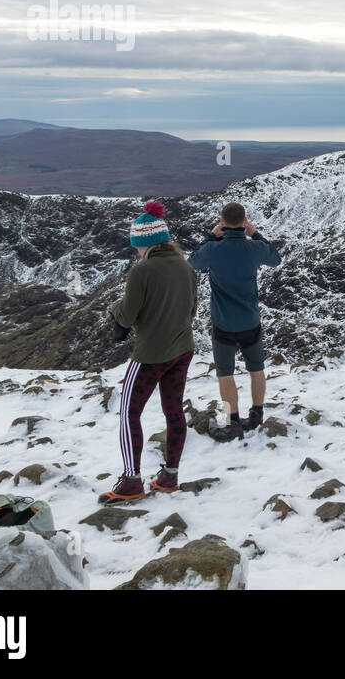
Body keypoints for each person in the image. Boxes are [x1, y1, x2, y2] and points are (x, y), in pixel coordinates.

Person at [100, 202, 198, 503]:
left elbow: (127, 317)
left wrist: (115, 306)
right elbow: (191, 310)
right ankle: (169, 476)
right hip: (182, 350)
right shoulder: (187, 267)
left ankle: (131, 481)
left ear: (144, 244)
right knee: (174, 410)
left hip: (149, 355)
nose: (136, 252)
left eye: (137, 246)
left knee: (130, 413)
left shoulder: (142, 271)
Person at [188, 201, 282, 442]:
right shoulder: (254, 249)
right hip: (250, 321)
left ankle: (231, 423)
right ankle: (256, 415)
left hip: (223, 324)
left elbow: (192, 263)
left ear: (222, 222)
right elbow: (275, 258)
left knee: (225, 374)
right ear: (243, 221)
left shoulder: (213, 249)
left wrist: (210, 235)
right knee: (256, 369)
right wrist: (254, 233)